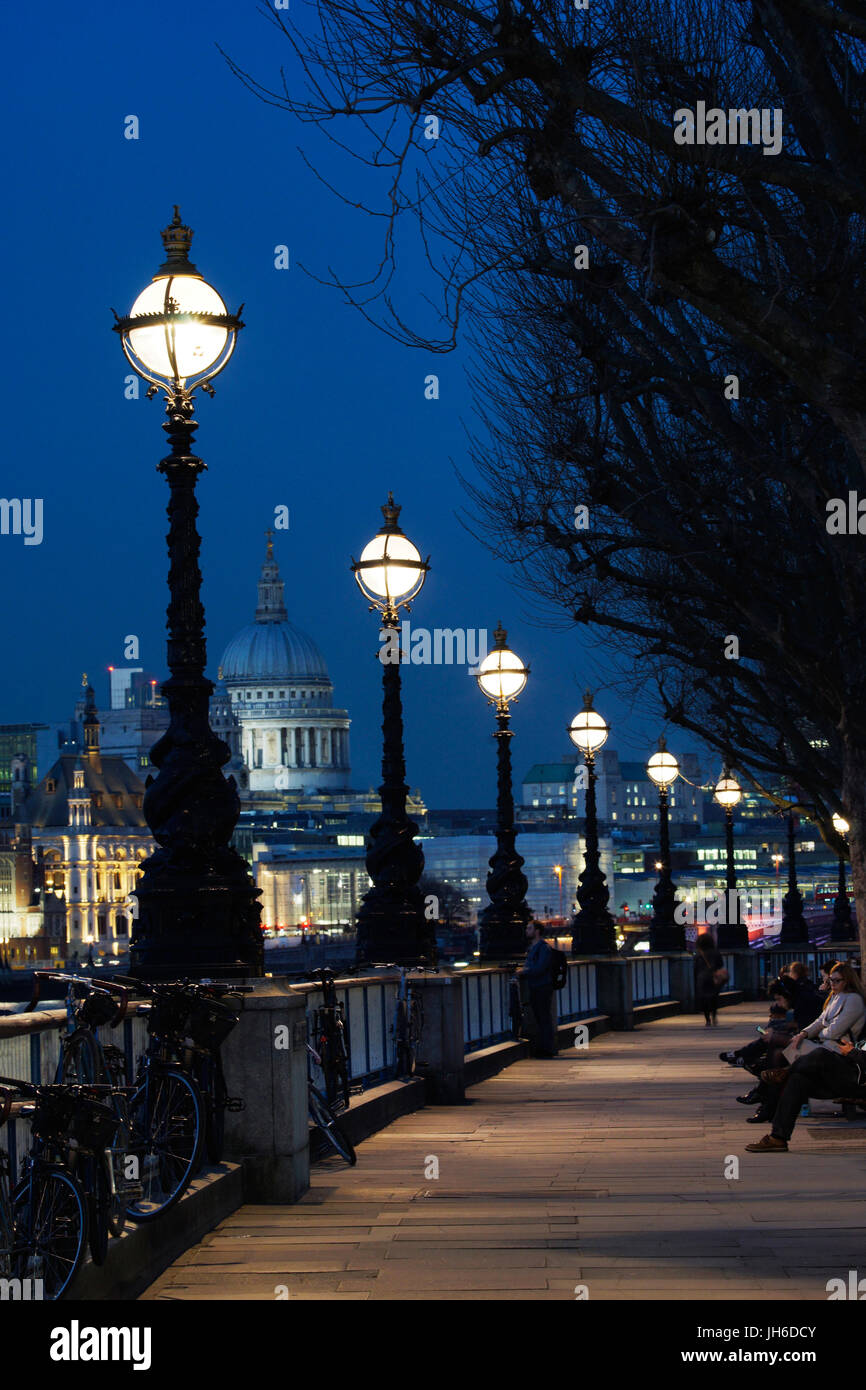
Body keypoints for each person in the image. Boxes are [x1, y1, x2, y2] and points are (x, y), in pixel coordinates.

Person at [744, 961, 866, 1126]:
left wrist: (819, 1033)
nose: (833, 984)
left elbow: (834, 1032)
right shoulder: (836, 997)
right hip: (824, 1046)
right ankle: (766, 1100)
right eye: (831, 980)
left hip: (838, 1053)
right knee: (778, 1050)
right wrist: (804, 1033)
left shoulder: (853, 1000)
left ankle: (764, 1098)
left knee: (777, 1045)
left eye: (838, 981)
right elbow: (820, 1021)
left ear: (848, 981)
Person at [746, 1040, 866, 1152]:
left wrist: (852, 1052)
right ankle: (778, 1137)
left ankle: (785, 1073)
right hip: (851, 1072)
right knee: (798, 1080)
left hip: (859, 1083)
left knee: (821, 1054)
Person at [516, 920, 556, 1057]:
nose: (527, 931)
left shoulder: (543, 948)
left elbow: (540, 967)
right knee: (540, 1017)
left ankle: (547, 1049)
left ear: (537, 931)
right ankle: (544, 1048)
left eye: (529, 928)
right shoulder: (534, 948)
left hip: (542, 986)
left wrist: (524, 971)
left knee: (543, 1017)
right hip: (536, 986)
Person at [694, 932, 725, 1026]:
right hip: (713, 978)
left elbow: (695, 968)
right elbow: (721, 964)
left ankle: (707, 1019)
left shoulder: (699, 954)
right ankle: (714, 1016)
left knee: (704, 999)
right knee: (714, 998)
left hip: (702, 979)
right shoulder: (716, 953)